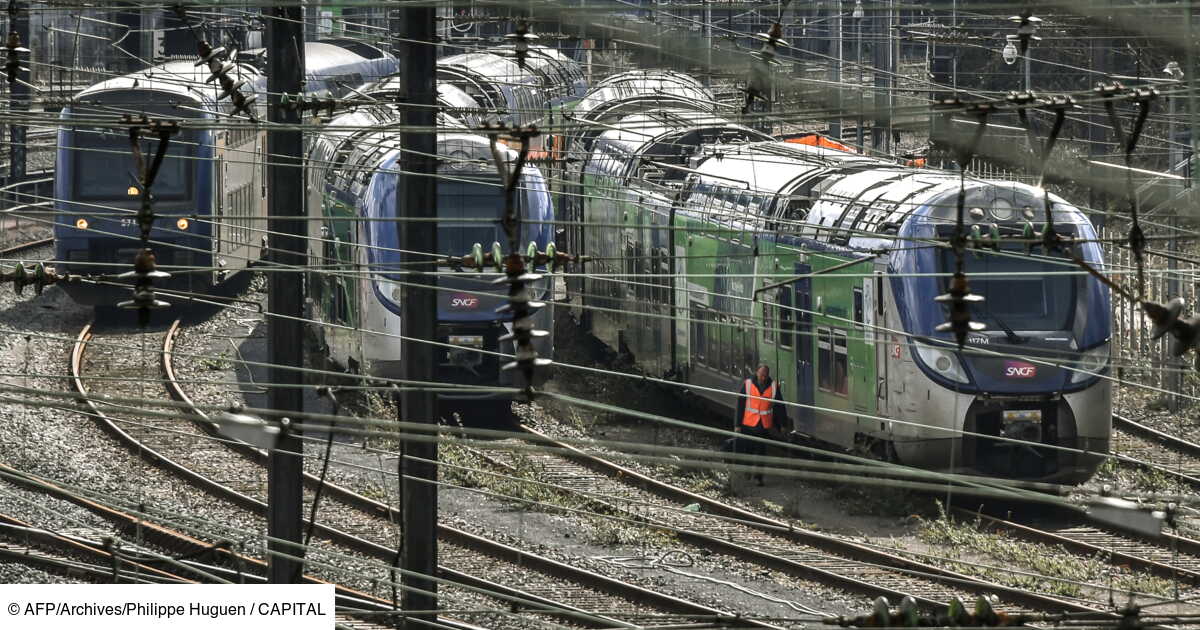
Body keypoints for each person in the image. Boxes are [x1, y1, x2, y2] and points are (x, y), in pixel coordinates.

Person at [734, 363, 789, 486]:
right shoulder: (748, 384)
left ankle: (759, 477)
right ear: (756, 372)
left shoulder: (774, 387)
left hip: (763, 425)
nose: (763, 377)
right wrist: (737, 424)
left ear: (768, 375)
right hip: (748, 424)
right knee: (748, 449)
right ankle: (747, 471)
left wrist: (783, 425)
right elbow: (740, 404)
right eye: (761, 374)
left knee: (761, 452)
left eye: (765, 375)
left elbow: (780, 406)